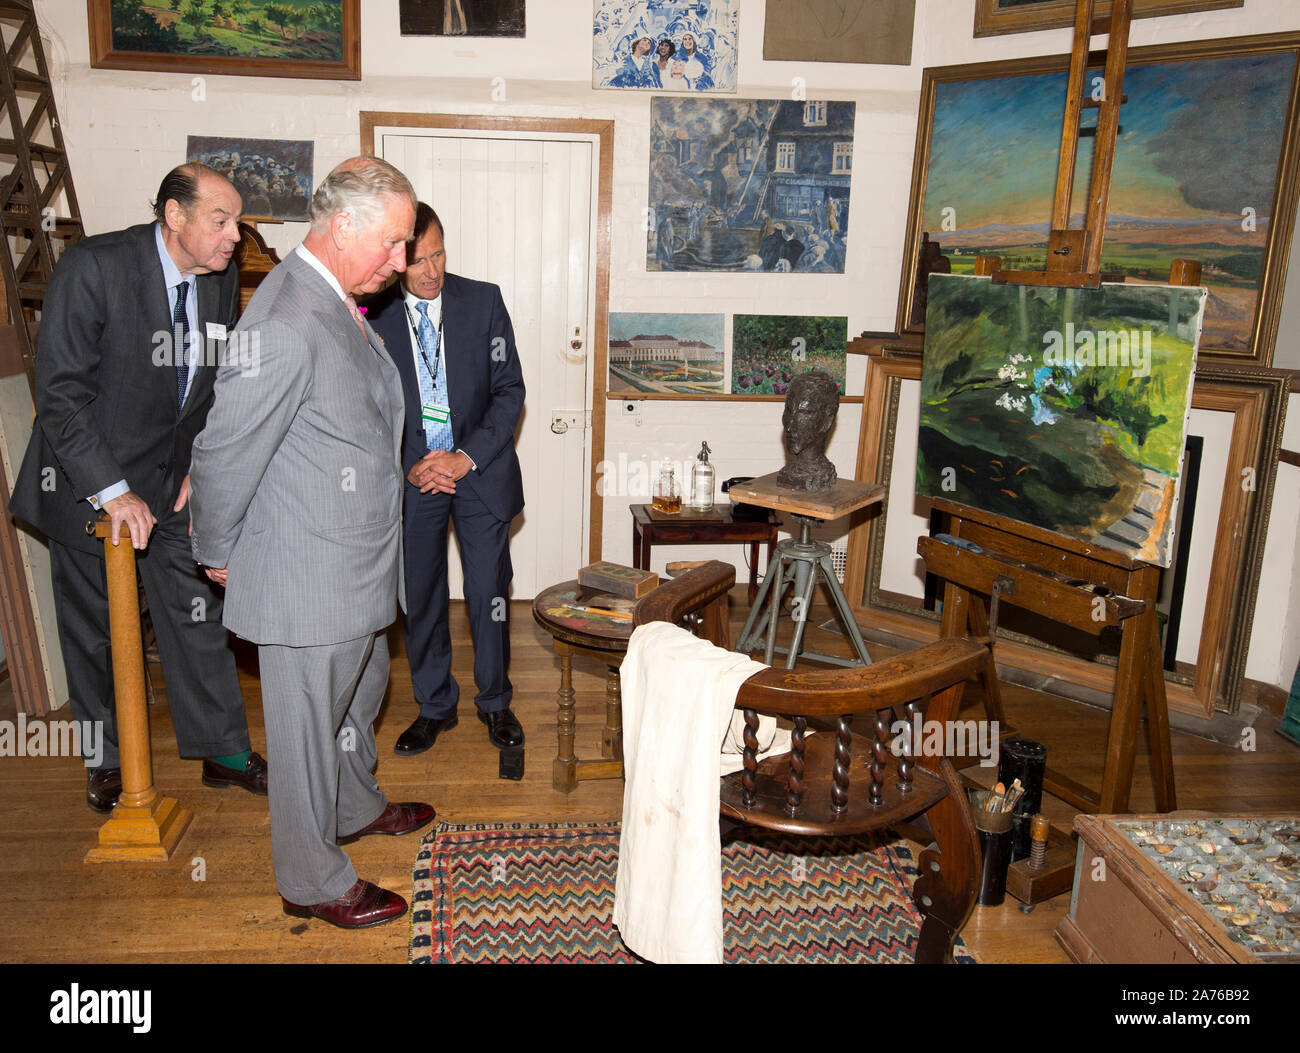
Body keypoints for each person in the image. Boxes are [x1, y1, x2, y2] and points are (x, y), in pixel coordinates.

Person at [188, 158, 434, 929]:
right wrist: (217, 547)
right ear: (344, 225)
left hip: (355, 564)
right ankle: (312, 876)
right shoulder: (289, 316)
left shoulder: (335, 300)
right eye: (393, 245)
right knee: (303, 732)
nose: (401, 263)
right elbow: (224, 447)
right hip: (307, 572)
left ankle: (353, 804)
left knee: (358, 698)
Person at [9, 163, 267, 814]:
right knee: (97, 630)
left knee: (196, 609)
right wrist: (113, 489)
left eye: (236, 222)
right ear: (174, 217)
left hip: (170, 480)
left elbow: (209, 387)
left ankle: (222, 749)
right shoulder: (94, 268)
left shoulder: (218, 279)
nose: (234, 236)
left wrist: (195, 466)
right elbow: (61, 395)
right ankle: (106, 761)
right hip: (87, 483)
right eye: (221, 220)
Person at [367, 203, 526, 758]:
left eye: (438, 254)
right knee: (422, 598)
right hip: (412, 478)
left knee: (488, 596)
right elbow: (365, 409)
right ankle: (434, 706)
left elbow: (510, 393)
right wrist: (407, 462)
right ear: (394, 259)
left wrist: (464, 457)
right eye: (417, 260)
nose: (431, 271)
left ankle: (496, 702)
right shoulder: (369, 315)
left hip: (477, 474)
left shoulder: (483, 302)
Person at [776, 371, 840, 493]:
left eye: (804, 413)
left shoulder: (821, 475)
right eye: (788, 410)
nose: (789, 426)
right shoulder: (789, 472)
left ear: (827, 419)